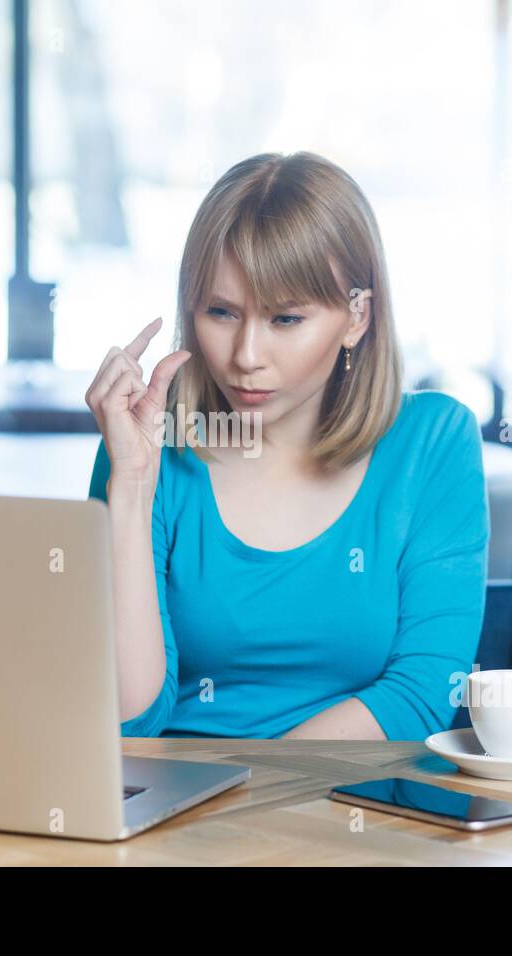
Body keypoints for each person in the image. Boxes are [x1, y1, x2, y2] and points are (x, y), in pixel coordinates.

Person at [85, 151, 489, 740]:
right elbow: (128, 724)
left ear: (356, 318)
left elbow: (422, 696)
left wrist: (244, 798)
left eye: (285, 320)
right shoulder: (148, 446)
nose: (246, 355)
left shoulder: (433, 442)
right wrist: (131, 488)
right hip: (176, 814)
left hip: (351, 813)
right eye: (221, 312)